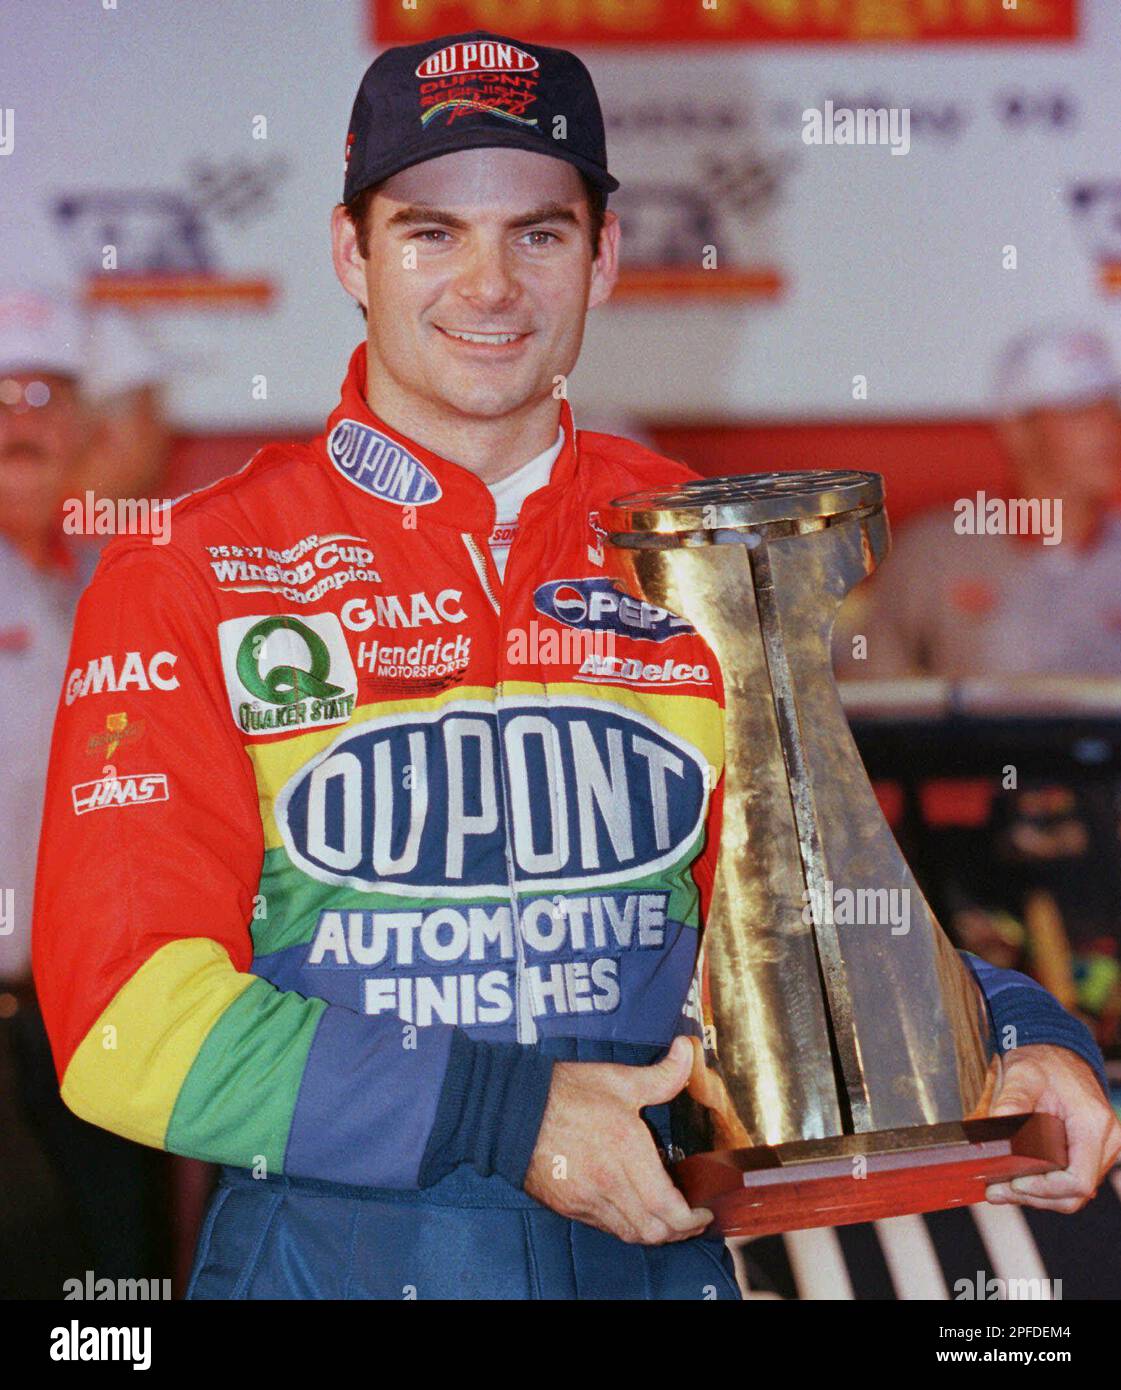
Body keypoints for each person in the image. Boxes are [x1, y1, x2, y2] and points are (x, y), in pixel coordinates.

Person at [33, 31, 1119, 1301]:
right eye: (432, 232)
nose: (487, 286)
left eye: (537, 234)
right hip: (334, 1266)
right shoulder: (191, 571)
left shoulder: (704, 550)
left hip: (650, 1265)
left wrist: (1018, 1036)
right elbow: (124, 1021)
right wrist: (505, 1117)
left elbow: (801, 925)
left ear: (603, 257)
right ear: (352, 254)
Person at [0, 288, 166, 1293]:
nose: (20, 419)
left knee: (123, 1266)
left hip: (109, 998)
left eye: (42, 393)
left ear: (90, 427)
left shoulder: (133, 570)